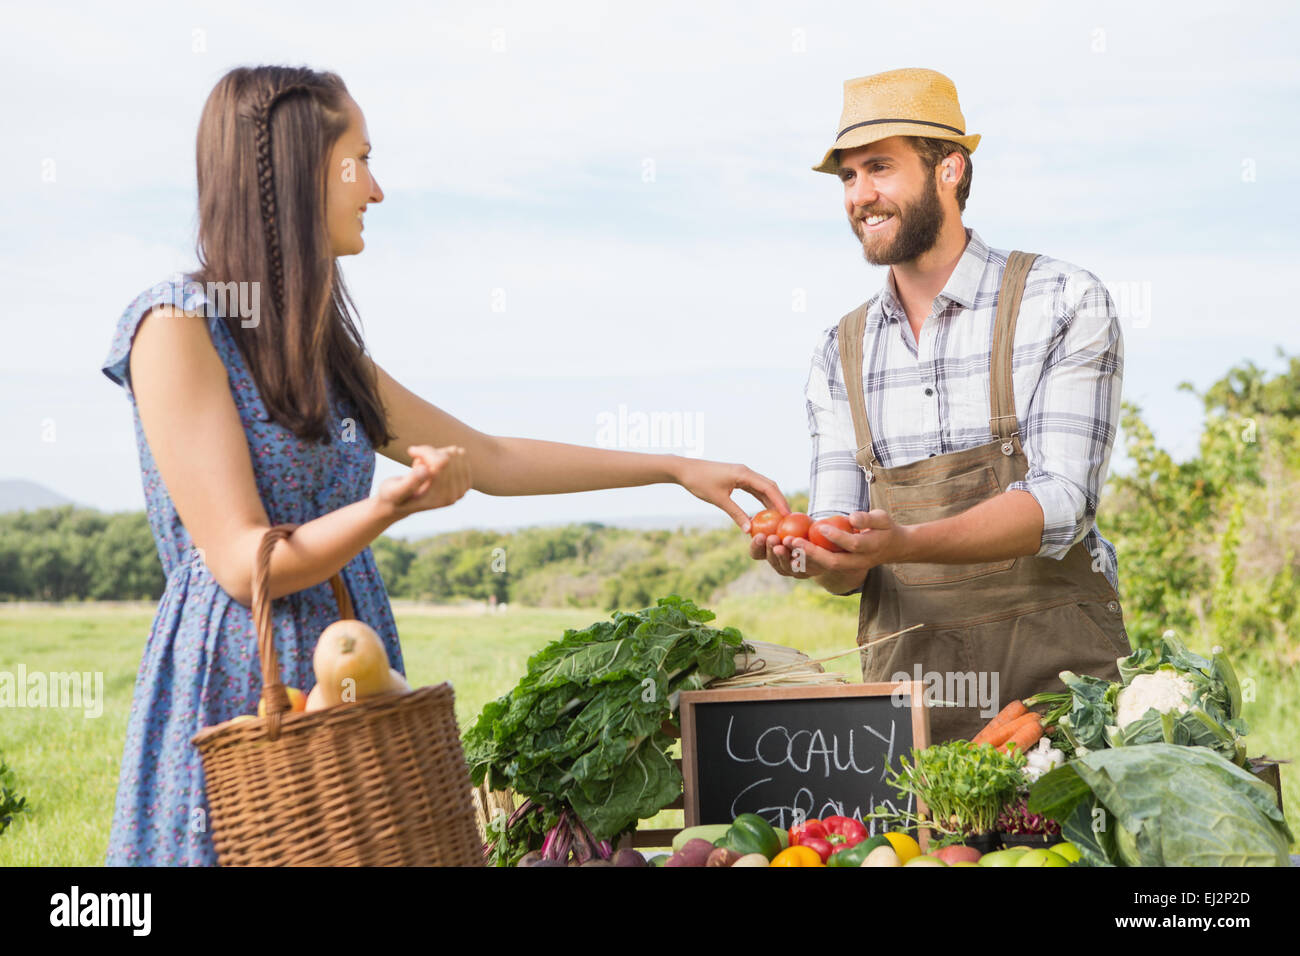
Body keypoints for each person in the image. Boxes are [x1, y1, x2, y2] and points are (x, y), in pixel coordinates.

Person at [100, 64, 787, 866]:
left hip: (350, 672)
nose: (377, 190)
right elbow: (245, 561)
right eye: (359, 161)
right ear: (292, 169)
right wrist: (391, 507)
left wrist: (675, 468)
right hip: (238, 682)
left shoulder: (321, 350)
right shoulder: (176, 327)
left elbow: (489, 457)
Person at [750, 68, 1131, 742]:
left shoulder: (1063, 300)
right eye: (847, 176)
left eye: (879, 168)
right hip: (911, 710)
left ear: (949, 169)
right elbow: (844, 563)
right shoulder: (838, 351)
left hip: (1060, 705)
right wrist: (809, 553)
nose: (860, 196)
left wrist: (908, 541)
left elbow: (1064, 503)